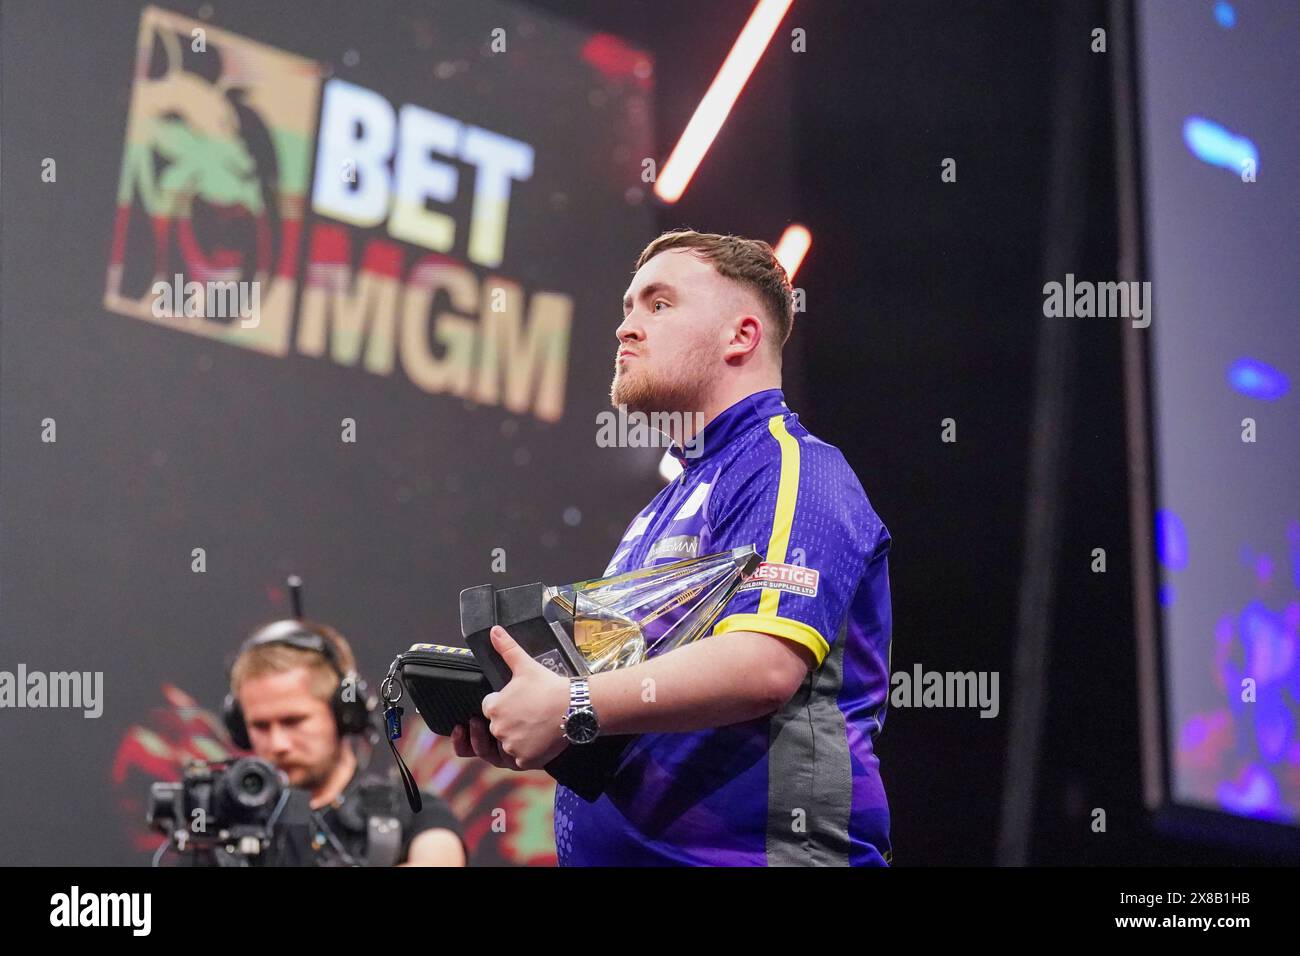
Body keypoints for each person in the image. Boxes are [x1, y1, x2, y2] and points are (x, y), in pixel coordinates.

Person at [453, 229, 893, 866]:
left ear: (740, 336)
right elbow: (641, 715)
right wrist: (539, 726)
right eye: (627, 307)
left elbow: (763, 666)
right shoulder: (665, 506)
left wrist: (570, 706)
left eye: (658, 305)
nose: (626, 328)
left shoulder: (793, 467)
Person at [228, 619, 467, 866]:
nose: (278, 744)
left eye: (293, 721)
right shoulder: (222, 826)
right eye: (260, 726)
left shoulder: (416, 813)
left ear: (345, 714)